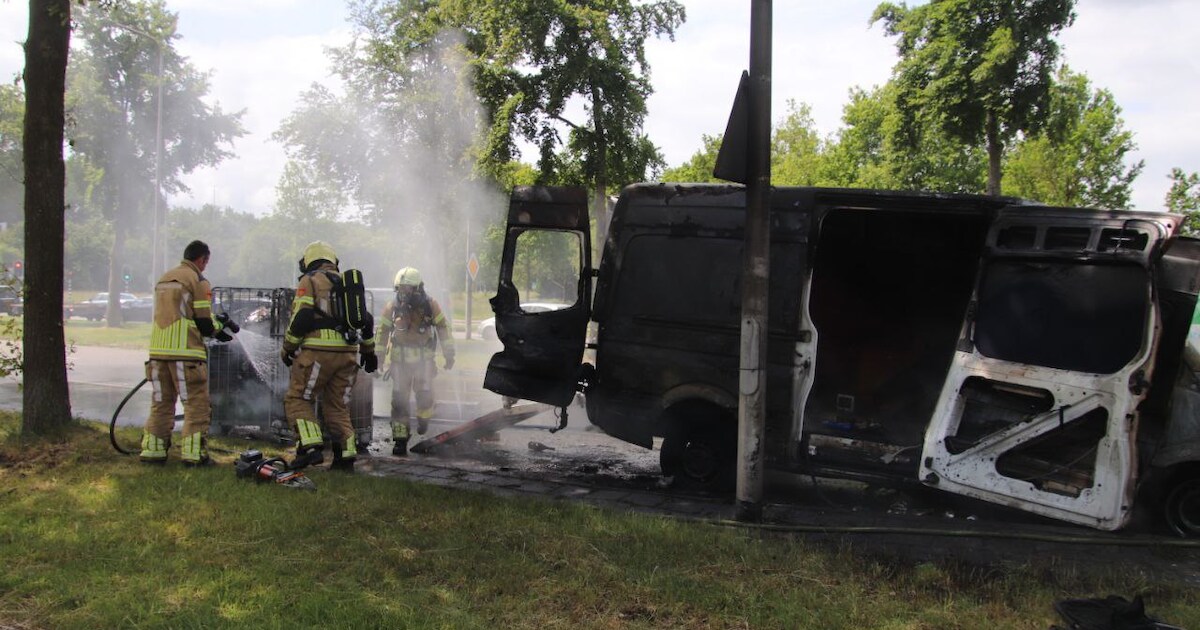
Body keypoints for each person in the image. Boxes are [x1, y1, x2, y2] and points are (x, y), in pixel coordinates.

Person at [280, 241, 377, 472]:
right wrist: (368, 351)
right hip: (348, 355)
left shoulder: (310, 280)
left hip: (318, 353)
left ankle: (311, 447)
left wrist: (288, 348)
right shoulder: (346, 283)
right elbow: (366, 320)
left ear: (308, 261)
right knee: (337, 406)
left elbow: (302, 317)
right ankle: (345, 457)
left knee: (298, 398)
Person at [140, 240, 235, 466]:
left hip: (158, 353)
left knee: (161, 404)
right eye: (206, 262)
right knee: (196, 405)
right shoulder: (198, 281)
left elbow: (178, 313)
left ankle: (153, 453)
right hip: (186, 353)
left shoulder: (165, 278)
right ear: (202, 259)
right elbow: (203, 322)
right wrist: (218, 329)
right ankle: (194, 456)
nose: (205, 266)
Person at [379, 267, 455, 456]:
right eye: (400, 288)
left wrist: (449, 353)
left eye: (408, 288)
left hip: (424, 363)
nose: (403, 293)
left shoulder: (430, 305)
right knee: (399, 403)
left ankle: (423, 420)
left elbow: (443, 328)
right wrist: (378, 357)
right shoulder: (392, 307)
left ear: (418, 288)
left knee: (425, 397)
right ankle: (400, 441)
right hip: (400, 365)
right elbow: (382, 332)